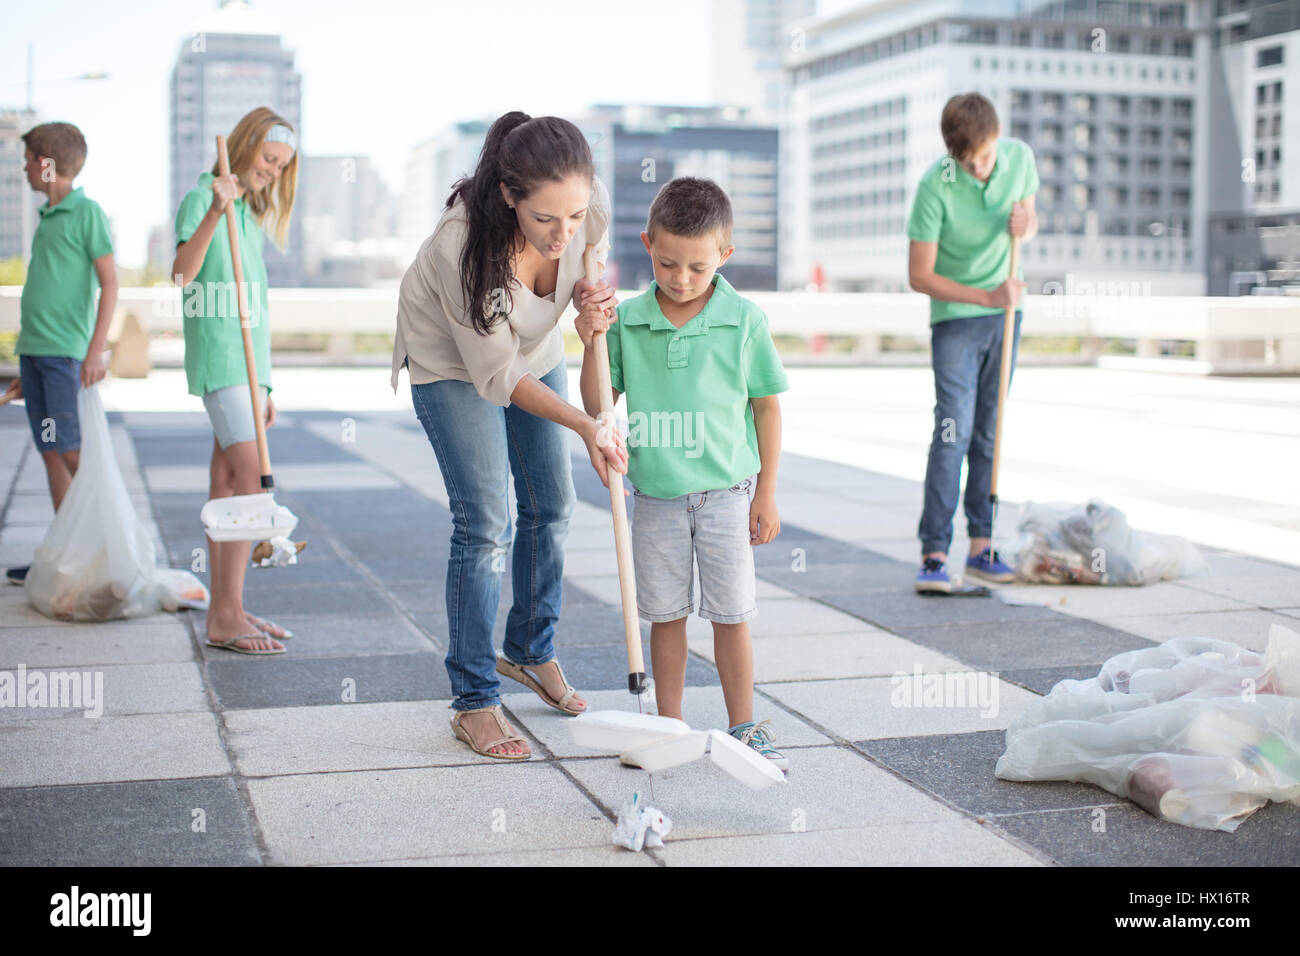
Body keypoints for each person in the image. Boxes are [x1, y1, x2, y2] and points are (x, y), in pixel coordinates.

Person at [391, 112, 627, 760]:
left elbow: (588, 282)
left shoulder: (584, 207)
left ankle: (529, 648)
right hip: (453, 363)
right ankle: (473, 699)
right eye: (547, 219)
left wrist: (592, 304)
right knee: (485, 521)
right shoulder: (462, 252)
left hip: (536, 342)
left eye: (574, 216)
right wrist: (583, 425)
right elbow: (496, 376)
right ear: (509, 197)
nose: (564, 232)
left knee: (552, 503)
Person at [577, 177, 791, 770]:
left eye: (698, 267)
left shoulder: (743, 320)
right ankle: (668, 725)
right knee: (664, 615)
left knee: (731, 615)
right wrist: (591, 341)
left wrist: (766, 494)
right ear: (648, 245)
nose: (681, 278)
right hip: (657, 496)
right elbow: (599, 400)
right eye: (668, 263)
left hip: (727, 493)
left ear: (724, 256)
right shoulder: (629, 320)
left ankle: (744, 725)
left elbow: (767, 406)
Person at [171, 106, 298, 653]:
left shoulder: (245, 215)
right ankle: (223, 614)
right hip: (221, 362)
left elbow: (257, 312)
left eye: (281, 165)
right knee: (251, 480)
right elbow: (181, 274)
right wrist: (214, 210)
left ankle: (231, 608)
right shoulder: (208, 200)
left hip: (246, 373)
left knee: (227, 482)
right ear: (244, 147)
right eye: (269, 159)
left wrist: (264, 386)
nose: (272, 171)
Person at [906, 93, 1039, 593]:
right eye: (968, 162)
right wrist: (986, 294)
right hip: (958, 318)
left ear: (997, 134)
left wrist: (1028, 222)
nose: (980, 168)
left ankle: (982, 546)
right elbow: (919, 275)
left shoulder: (1020, 158)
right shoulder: (933, 187)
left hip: (1007, 313)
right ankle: (935, 553)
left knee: (989, 431)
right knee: (951, 432)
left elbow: (1030, 220)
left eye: (985, 157)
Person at [4, 122, 117, 586]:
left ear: (46, 163)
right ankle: (66, 558)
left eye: (29, 157)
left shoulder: (86, 212)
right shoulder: (47, 217)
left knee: (72, 452)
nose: (24, 166)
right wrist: (23, 367)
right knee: (51, 451)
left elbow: (110, 283)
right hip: (35, 355)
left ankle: (106, 553)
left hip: (64, 357)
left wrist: (95, 351)